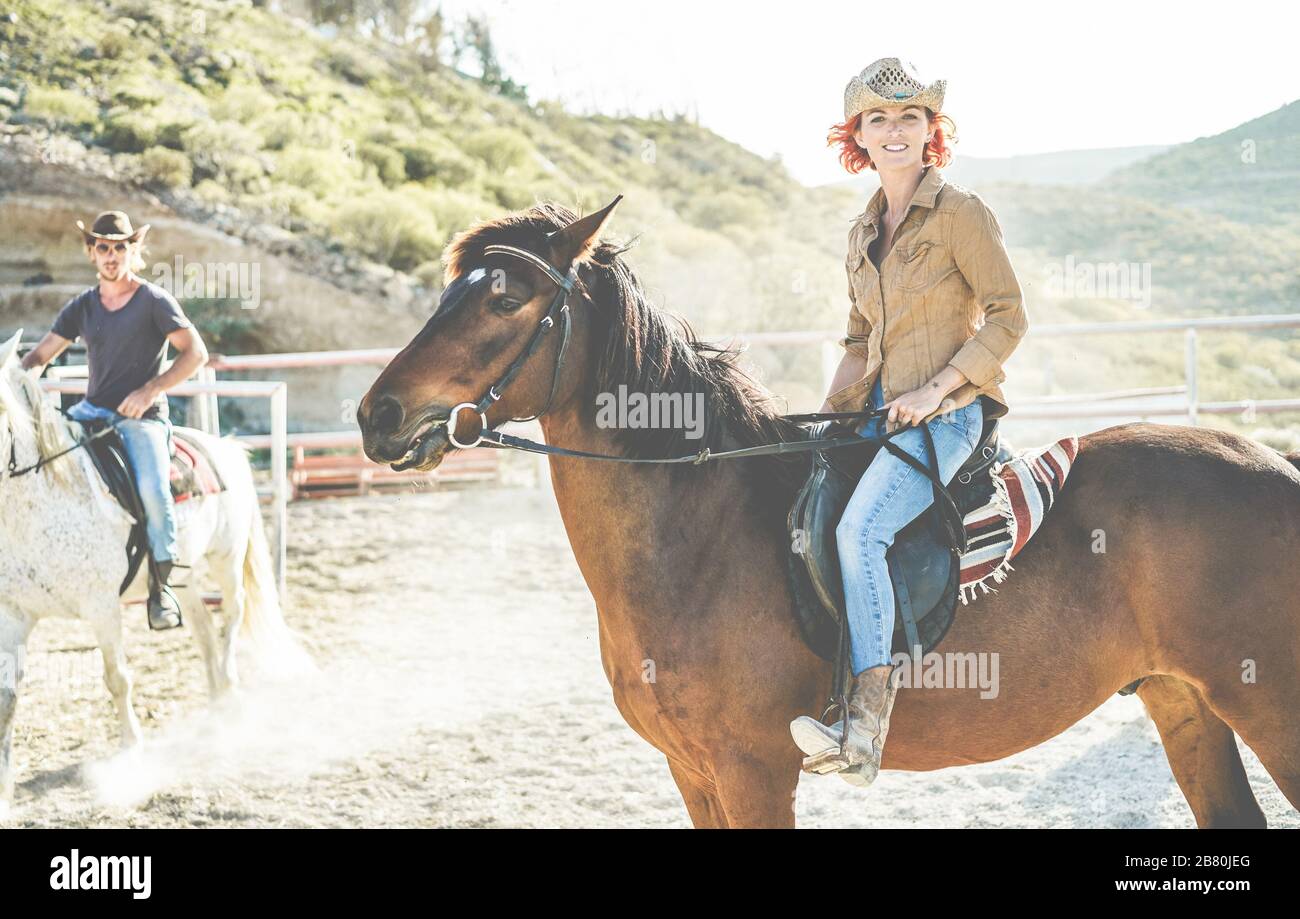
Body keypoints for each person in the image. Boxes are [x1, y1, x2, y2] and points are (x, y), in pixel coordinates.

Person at [788, 58, 1029, 786]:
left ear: (933, 131)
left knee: (861, 529)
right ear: (857, 135)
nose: (895, 132)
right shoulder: (863, 230)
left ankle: (864, 724)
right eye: (879, 120)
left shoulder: (961, 215)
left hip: (948, 417)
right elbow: (859, 341)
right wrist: (823, 422)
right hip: (877, 418)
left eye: (910, 118)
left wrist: (937, 388)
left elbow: (1009, 317)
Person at [21, 211, 210, 630]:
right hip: (91, 412)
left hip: (141, 419)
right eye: (103, 247)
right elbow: (39, 356)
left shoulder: (154, 302)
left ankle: (163, 591)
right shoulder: (83, 306)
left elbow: (194, 353)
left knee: (153, 491)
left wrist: (150, 391)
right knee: (41, 464)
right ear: (91, 253)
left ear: (133, 251)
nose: (111, 255)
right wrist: (16, 377)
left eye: (120, 247)